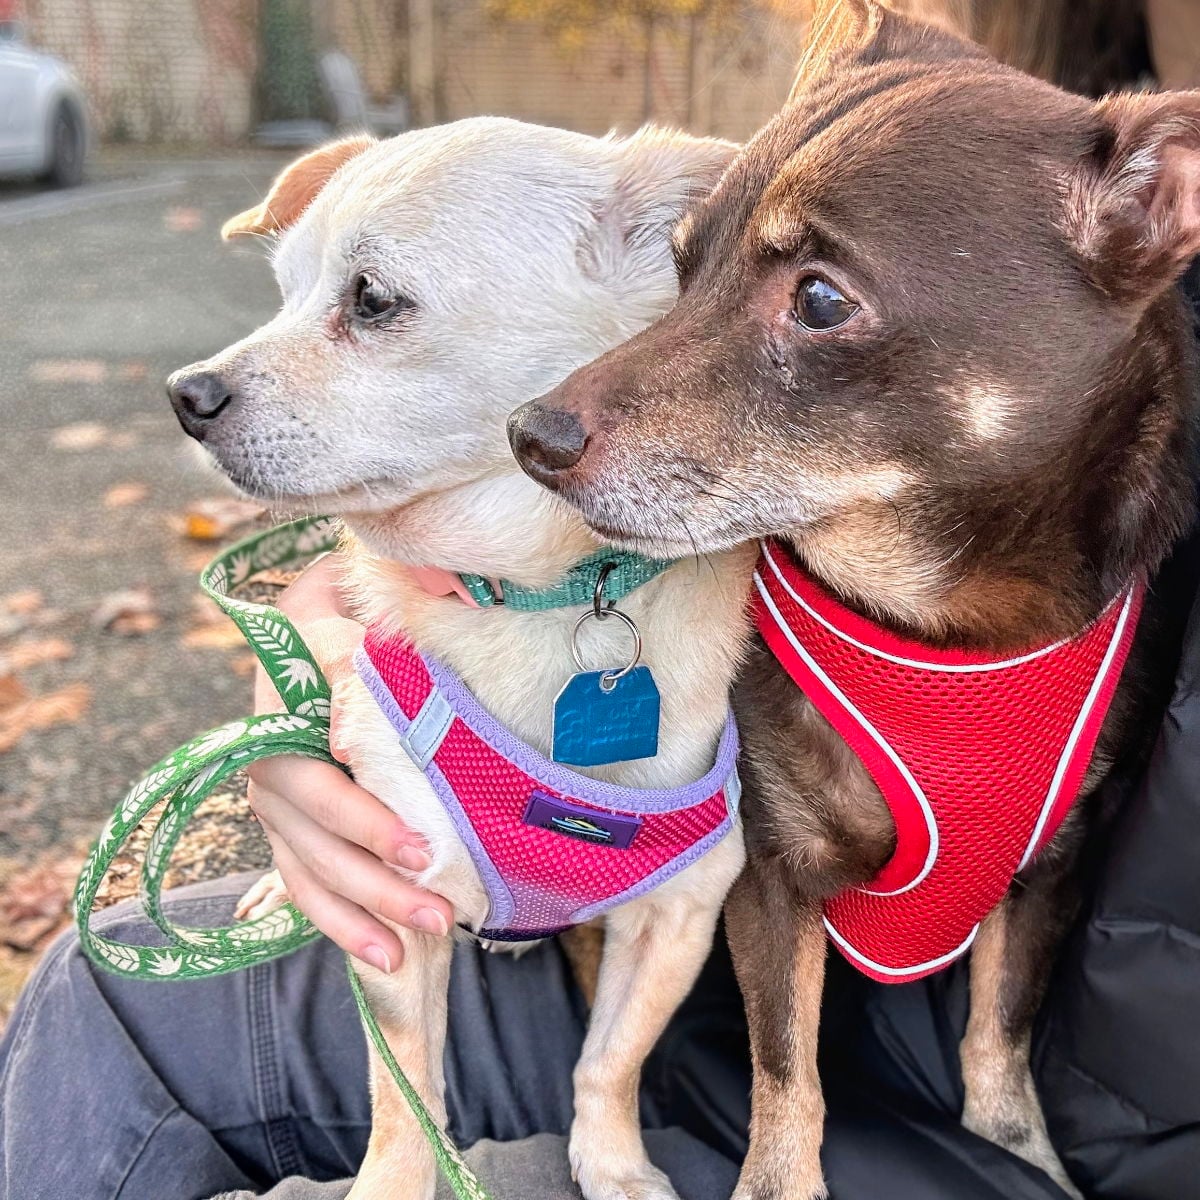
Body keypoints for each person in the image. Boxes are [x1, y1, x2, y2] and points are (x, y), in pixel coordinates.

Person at [5, 276, 1200, 1200]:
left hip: (979, 1132)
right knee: (102, 990)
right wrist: (332, 673)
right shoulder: (952, 198)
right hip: (674, 969)